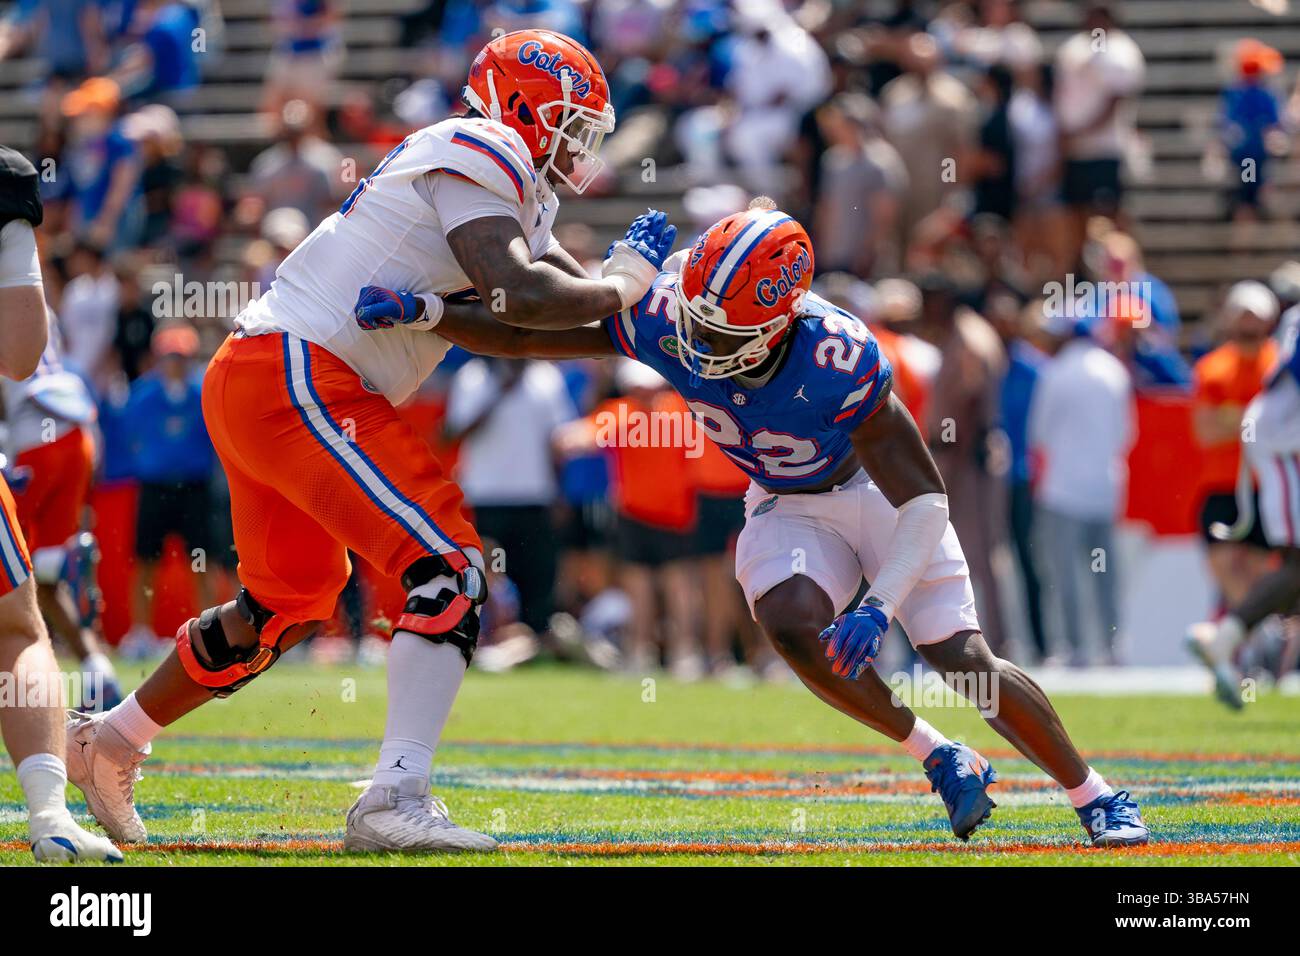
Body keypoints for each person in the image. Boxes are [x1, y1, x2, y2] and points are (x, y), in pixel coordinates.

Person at [372, 199, 1149, 847]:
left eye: (722, 336)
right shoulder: (670, 308)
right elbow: (531, 333)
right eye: (698, 326)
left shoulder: (838, 355)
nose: (699, 346)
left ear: (779, 323)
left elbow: (924, 499)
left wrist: (879, 604)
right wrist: (434, 314)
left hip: (878, 498)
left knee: (962, 659)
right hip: (785, 497)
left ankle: (1095, 794)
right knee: (790, 624)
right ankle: (939, 754)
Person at [66, 29, 676, 854]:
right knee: (452, 569)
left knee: (293, 599)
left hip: (266, 375)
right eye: (569, 124)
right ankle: (394, 797)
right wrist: (628, 285)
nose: (576, 147)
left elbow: (531, 328)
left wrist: (663, 331)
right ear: (522, 106)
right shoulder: (478, 142)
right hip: (299, 372)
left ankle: (113, 737)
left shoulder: (510, 182)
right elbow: (522, 295)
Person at [0, 145, 121, 862]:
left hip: (50, 436)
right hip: (54, 435)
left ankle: (100, 661)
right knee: (15, 628)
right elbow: (19, 350)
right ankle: (48, 817)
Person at [1188, 301, 1300, 708]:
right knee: (1294, 561)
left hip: (1280, 443)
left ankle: (1239, 639)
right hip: (1287, 443)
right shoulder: (1218, 366)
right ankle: (1233, 639)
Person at [1028, 306, 1134, 665]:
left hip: (1063, 489)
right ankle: (1112, 645)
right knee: (1105, 572)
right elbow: (1127, 434)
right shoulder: (1116, 371)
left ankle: (1073, 648)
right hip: (1106, 486)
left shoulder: (1055, 373)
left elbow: (1038, 433)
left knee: (1065, 572)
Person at [1191, 282, 1279, 620]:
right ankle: (1245, 628)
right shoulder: (1214, 368)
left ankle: (1242, 631)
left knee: (1259, 569)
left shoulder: (1278, 366)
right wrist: (1253, 417)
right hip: (1222, 484)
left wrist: (1233, 417)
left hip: (1265, 485)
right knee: (1225, 565)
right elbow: (1206, 430)